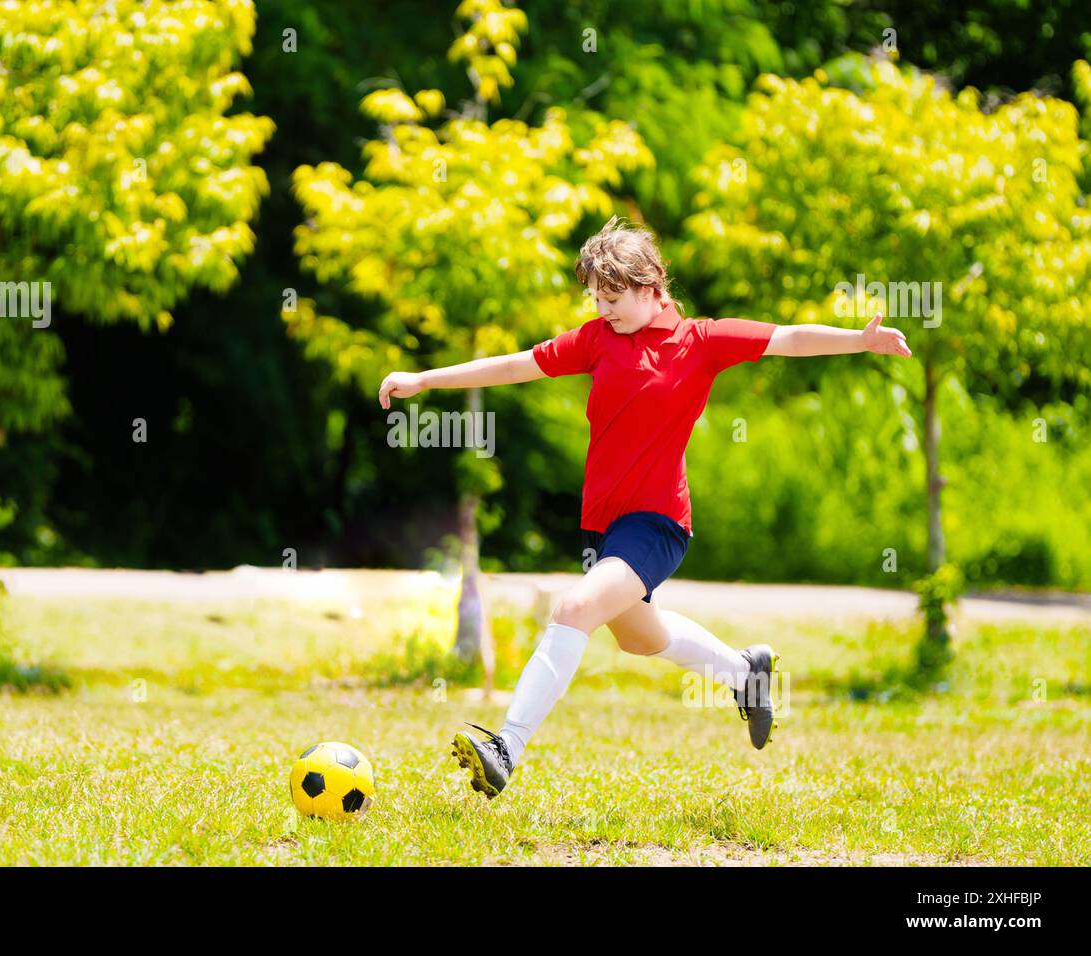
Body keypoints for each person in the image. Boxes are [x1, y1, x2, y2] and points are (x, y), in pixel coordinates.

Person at [377, 216, 913, 798]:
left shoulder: (700, 342)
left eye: (613, 298)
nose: (604, 309)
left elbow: (787, 337)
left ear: (652, 284)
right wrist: (425, 379)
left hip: (657, 523)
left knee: (575, 607)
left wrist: (859, 339)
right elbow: (515, 366)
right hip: (602, 526)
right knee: (637, 637)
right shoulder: (597, 340)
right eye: (597, 298)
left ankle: (506, 746)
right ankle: (745, 674)